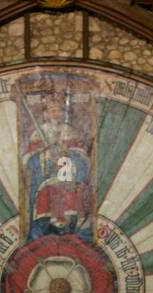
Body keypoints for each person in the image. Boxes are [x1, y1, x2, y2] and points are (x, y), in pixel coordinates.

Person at [23, 92, 92, 240]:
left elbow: (82, 156)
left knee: (71, 191)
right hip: (44, 177)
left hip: (67, 175)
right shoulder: (39, 133)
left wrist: (66, 153)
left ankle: (71, 229)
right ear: (46, 114)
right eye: (52, 110)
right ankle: (42, 232)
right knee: (44, 195)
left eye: (59, 110)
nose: (56, 113)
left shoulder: (70, 131)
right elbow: (29, 159)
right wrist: (44, 155)